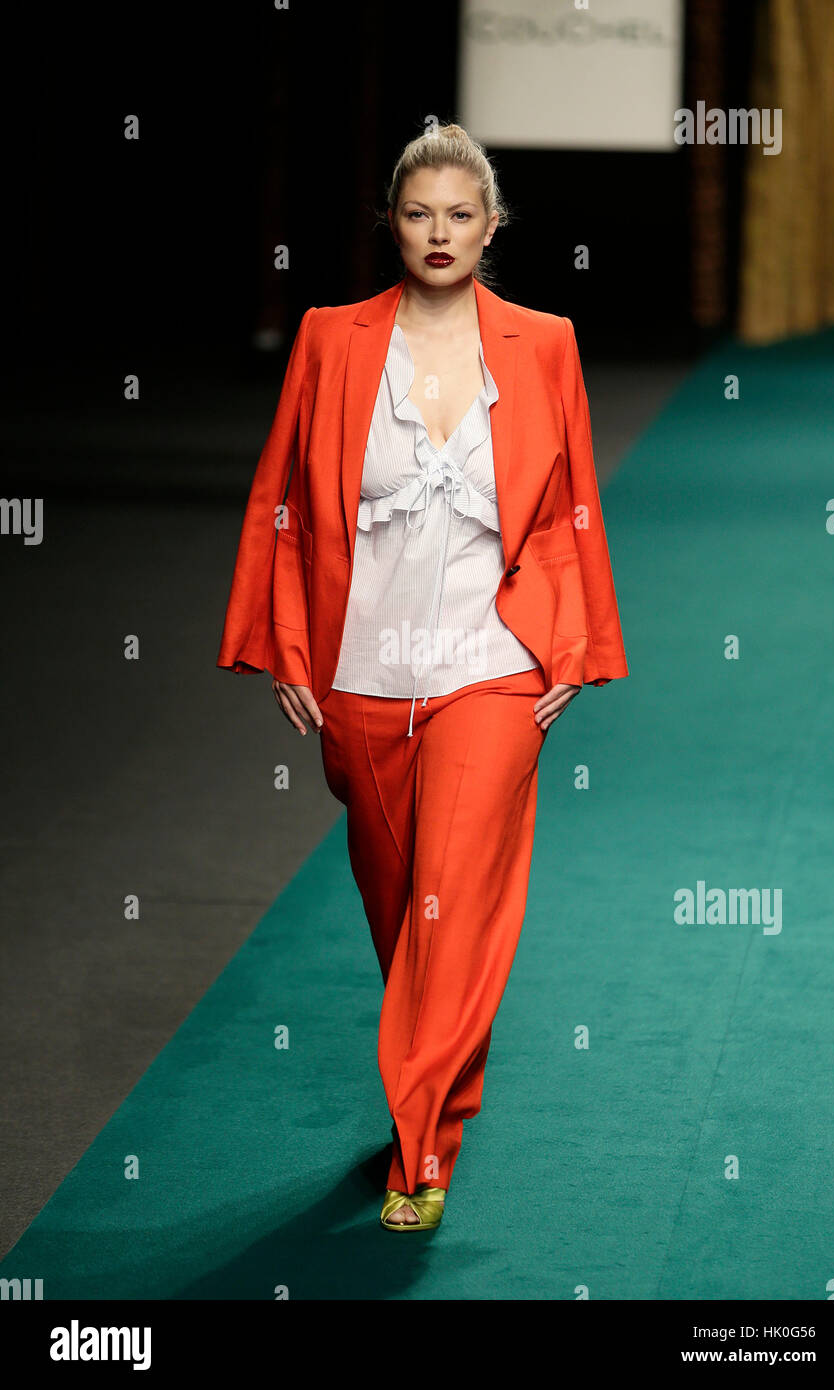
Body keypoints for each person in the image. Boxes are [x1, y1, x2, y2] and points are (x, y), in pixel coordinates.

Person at [217, 123, 629, 1231]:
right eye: (417, 213)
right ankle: (445, 1072)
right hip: (361, 668)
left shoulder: (543, 343)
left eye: (460, 215)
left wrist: (574, 645)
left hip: (491, 665)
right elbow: (283, 497)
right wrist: (285, 641)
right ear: (390, 223)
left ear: (490, 227)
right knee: (404, 905)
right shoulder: (329, 338)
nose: (438, 233)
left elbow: (570, 501)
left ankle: (420, 1147)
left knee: (451, 899)